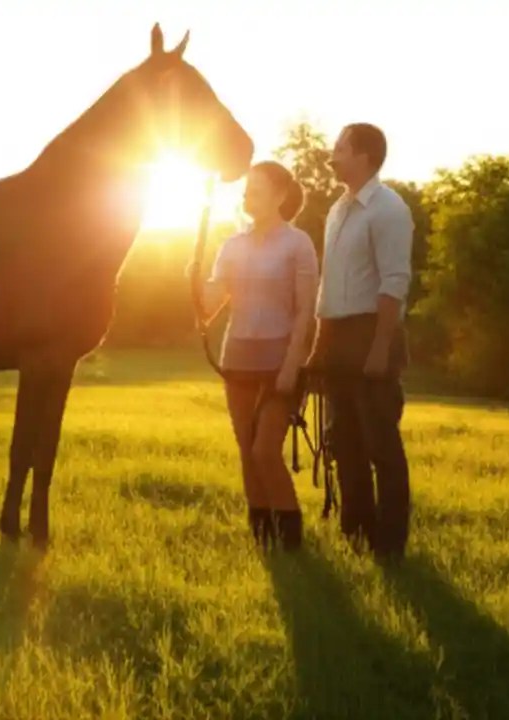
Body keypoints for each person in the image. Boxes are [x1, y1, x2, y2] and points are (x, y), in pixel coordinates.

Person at [307, 122, 414, 562]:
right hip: (337, 336)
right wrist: (318, 348)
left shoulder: (388, 209)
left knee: (380, 444)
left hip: (372, 333)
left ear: (365, 156)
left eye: (340, 148)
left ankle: (390, 543)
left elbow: (395, 281)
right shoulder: (338, 210)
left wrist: (379, 348)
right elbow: (328, 286)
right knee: (343, 441)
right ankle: (356, 531)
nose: (332, 155)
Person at [200, 161, 319, 551]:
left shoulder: (297, 243)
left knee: (265, 450)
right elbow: (210, 304)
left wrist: (292, 364)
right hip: (237, 358)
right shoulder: (232, 245)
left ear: (280, 195)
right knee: (246, 451)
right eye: (246, 188)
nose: (247, 194)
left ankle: (290, 534)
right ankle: (261, 532)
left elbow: (305, 310)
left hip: (279, 361)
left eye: (257, 188)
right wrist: (196, 281)